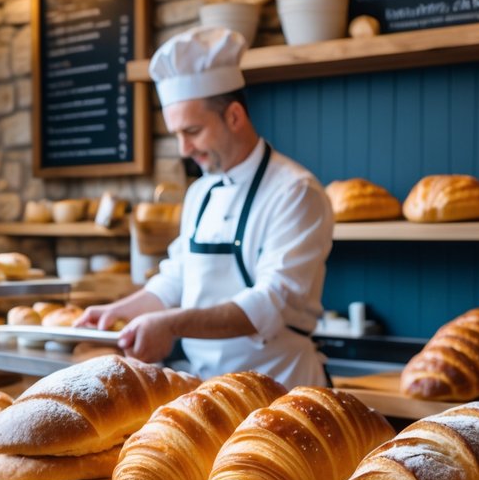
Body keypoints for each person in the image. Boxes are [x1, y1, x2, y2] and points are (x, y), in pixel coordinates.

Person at [77, 26, 334, 388]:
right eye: (177, 134)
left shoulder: (295, 192)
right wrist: (121, 311)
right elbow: (178, 276)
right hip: (208, 390)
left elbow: (270, 302)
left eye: (193, 131)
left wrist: (171, 323)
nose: (184, 149)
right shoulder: (200, 191)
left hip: (281, 388)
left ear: (233, 116)